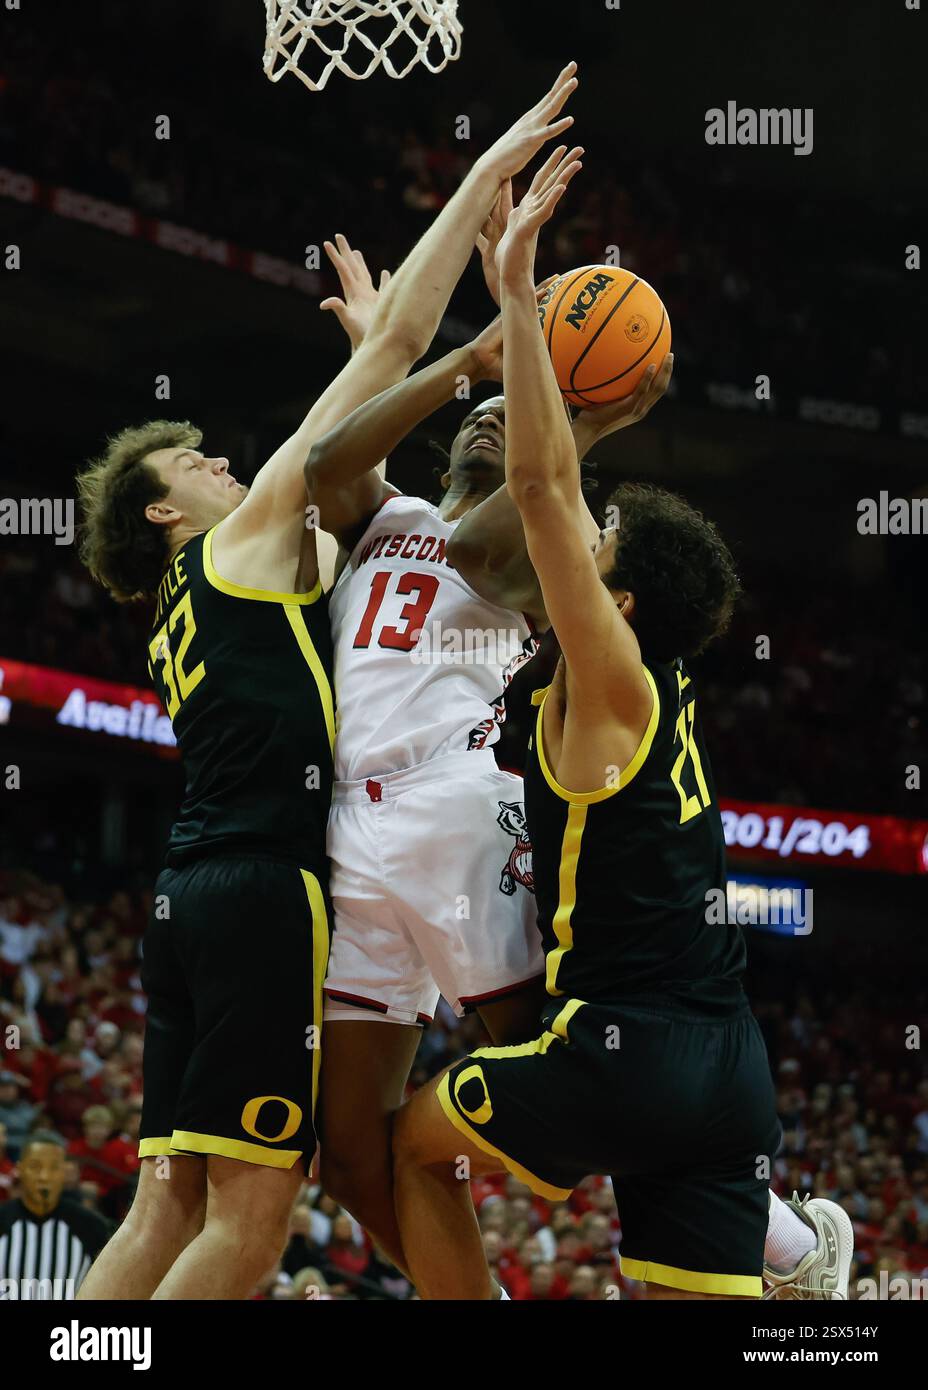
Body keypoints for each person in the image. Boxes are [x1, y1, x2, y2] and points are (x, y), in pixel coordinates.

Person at [71, 65, 583, 1301]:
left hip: (190, 892)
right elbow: (410, 347)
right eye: (197, 459)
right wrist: (477, 187)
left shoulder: (208, 604)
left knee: (163, 1204)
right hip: (261, 892)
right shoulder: (242, 542)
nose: (225, 459)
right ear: (165, 513)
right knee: (249, 1222)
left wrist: (376, 363)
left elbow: (358, 500)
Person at [391, 157, 854, 1300]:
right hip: (727, 1071)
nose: (573, 547)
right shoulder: (661, 690)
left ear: (624, 603)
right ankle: (794, 1253)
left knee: (414, 1144)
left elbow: (543, 495)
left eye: (598, 550)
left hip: (626, 1053)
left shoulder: (613, 679)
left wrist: (517, 292)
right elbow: (529, 520)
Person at [0, 1131, 110, 1298]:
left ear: (64, 1173)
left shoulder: (91, 1227)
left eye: (54, 1168)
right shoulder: (2, 1221)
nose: (44, 1177)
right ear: (20, 1170)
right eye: (35, 1167)